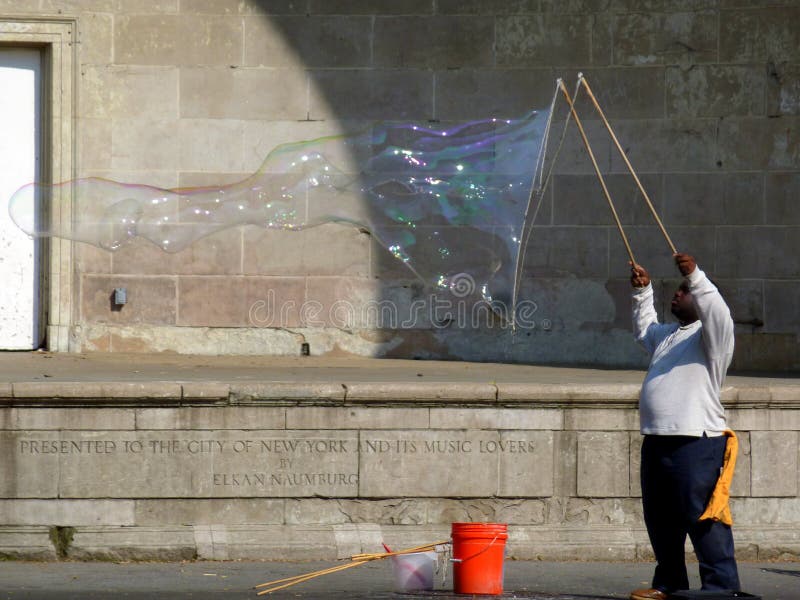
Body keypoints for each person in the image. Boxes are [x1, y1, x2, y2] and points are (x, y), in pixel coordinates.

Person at [628, 253, 740, 600]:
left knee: (704, 517)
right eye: (678, 290)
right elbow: (645, 329)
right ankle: (669, 583)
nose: (677, 294)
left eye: (684, 291)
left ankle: (721, 588)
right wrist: (642, 293)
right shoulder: (670, 335)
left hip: (697, 442)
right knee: (661, 520)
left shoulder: (713, 338)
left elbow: (718, 312)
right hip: (658, 439)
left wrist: (696, 277)